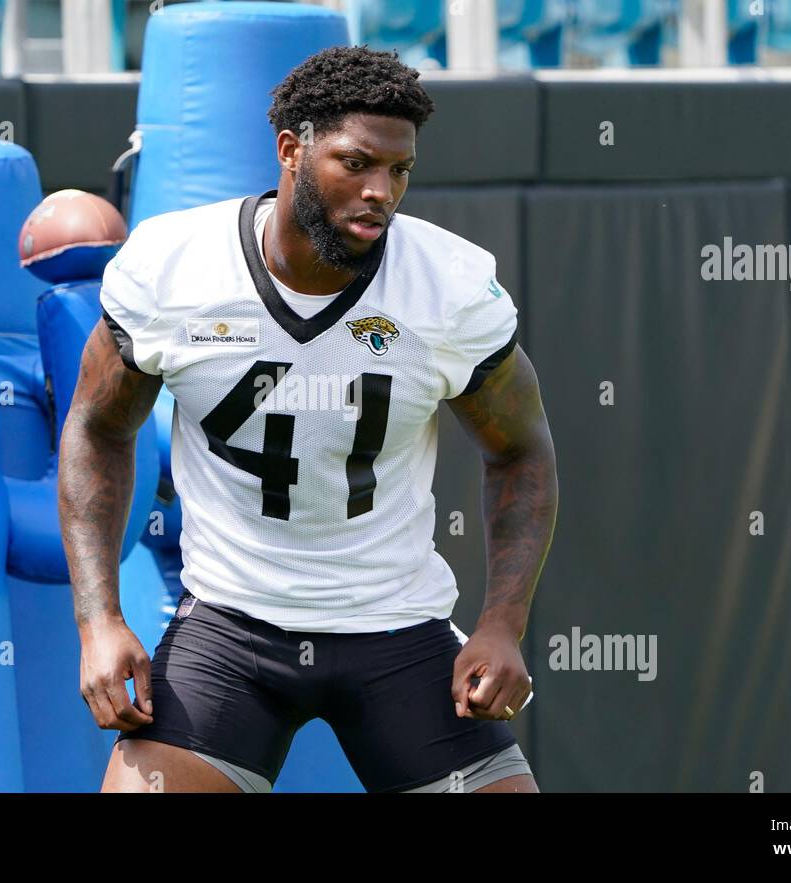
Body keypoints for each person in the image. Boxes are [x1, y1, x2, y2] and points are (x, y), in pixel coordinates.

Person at [58, 46, 558, 793]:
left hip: (397, 626)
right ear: (291, 150)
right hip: (232, 624)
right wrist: (98, 621)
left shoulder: (446, 286)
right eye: (356, 163)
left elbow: (521, 449)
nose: (381, 192)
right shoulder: (175, 268)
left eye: (399, 171)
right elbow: (98, 428)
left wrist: (502, 623)